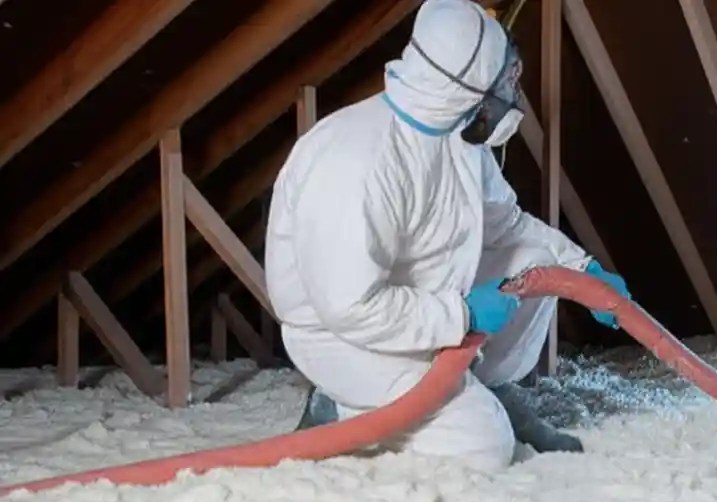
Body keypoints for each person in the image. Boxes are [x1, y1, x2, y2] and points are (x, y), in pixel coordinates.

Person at [263, 0, 629, 472]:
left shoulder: (457, 139)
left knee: (538, 259)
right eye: (504, 85)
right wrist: (463, 313)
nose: (511, 98)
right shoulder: (356, 160)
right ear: (465, 86)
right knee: (481, 444)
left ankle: (489, 386)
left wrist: (584, 272)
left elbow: (508, 225)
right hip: (344, 338)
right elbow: (349, 307)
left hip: (424, 301)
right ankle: (340, 403)